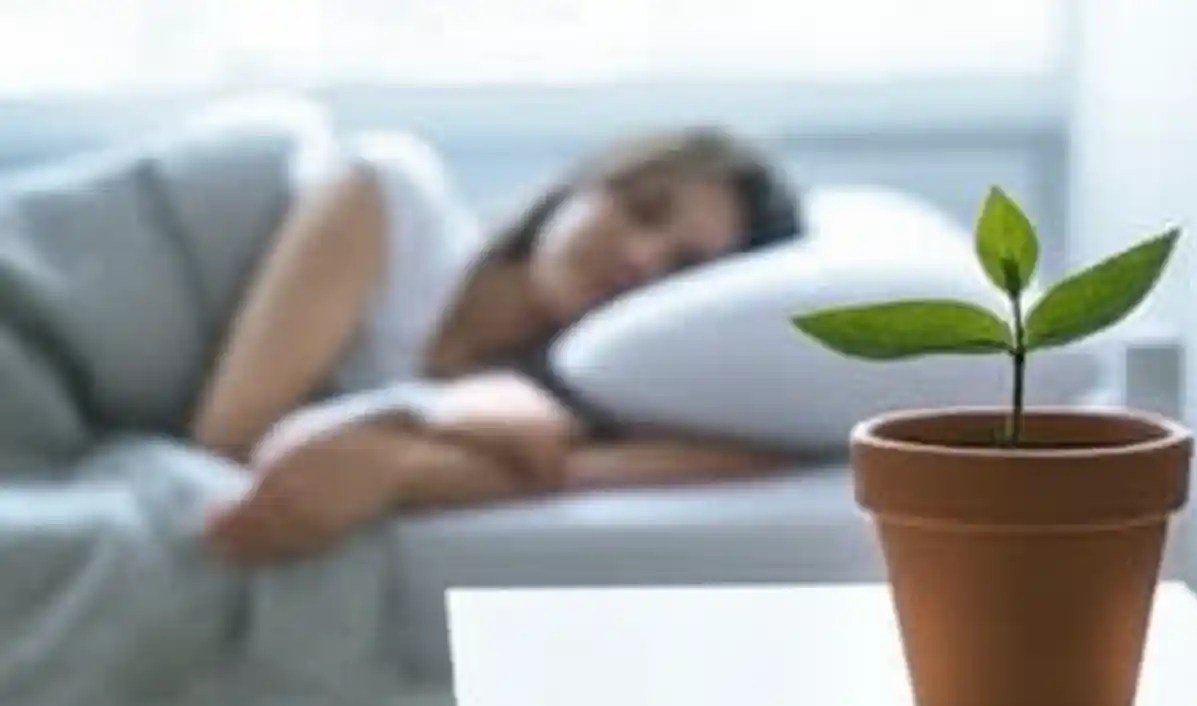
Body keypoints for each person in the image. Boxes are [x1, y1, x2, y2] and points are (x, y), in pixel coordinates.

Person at [191, 127, 803, 565]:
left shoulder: (537, 408)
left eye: (680, 270)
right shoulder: (394, 200)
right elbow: (231, 446)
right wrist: (408, 453)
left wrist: (398, 466)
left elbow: (753, 455)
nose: (641, 258)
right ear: (584, 186)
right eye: (643, 210)